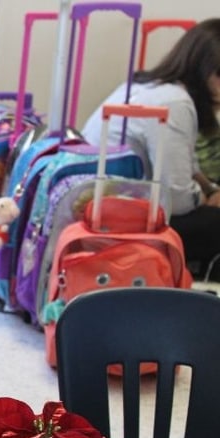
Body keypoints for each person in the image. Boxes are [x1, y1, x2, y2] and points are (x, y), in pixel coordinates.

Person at [81, 19, 220, 279]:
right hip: (121, 218)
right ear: (206, 71)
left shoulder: (147, 86)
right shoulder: (175, 103)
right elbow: (177, 200)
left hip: (98, 205)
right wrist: (208, 199)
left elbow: (185, 164)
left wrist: (210, 189)